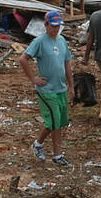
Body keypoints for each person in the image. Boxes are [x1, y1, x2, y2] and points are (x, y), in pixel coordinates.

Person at [19, 10, 74, 166]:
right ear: (46, 25)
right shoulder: (40, 41)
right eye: (53, 26)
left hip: (60, 88)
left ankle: (47, 149)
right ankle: (48, 150)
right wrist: (33, 78)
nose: (56, 29)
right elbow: (23, 58)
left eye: (58, 26)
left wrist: (71, 86)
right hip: (47, 90)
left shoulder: (62, 41)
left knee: (59, 122)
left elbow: (67, 64)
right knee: (54, 122)